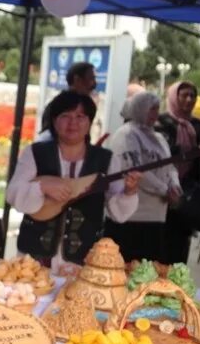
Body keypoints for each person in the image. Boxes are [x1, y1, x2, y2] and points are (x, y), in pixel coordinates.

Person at [7, 91, 140, 270]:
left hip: (83, 260)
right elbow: (13, 193)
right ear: (54, 121)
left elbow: (118, 213)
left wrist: (129, 192)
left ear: (89, 122)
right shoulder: (36, 153)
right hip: (35, 259)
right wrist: (42, 186)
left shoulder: (106, 159)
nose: (73, 123)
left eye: (80, 116)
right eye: (65, 116)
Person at [104, 91, 180, 262]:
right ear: (139, 108)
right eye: (150, 109)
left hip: (156, 215)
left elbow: (170, 165)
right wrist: (164, 189)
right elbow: (136, 169)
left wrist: (175, 186)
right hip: (133, 216)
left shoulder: (158, 137)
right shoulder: (126, 134)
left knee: (147, 269)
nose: (155, 114)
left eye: (157, 109)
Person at [155, 81, 200, 264]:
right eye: (184, 95)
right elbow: (158, 154)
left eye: (192, 96)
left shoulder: (198, 126)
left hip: (188, 190)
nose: (189, 100)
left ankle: (176, 280)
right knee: (161, 239)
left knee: (181, 240)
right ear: (174, 97)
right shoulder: (161, 122)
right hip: (162, 188)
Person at [38, 61, 98, 138]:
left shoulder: (88, 105)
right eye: (91, 78)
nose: (94, 84)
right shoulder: (59, 105)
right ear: (77, 79)